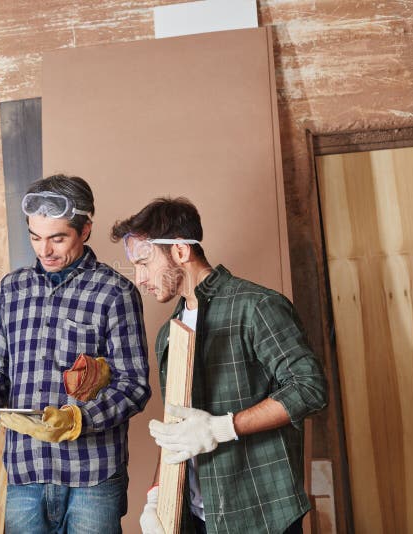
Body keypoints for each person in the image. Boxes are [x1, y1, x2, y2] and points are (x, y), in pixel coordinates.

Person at [111, 198, 327, 534]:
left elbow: (309, 388)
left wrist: (221, 428)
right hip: (198, 517)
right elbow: (179, 427)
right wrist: (156, 496)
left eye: (144, 263)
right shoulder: (170, 333)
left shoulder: (256, 306)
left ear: (180, 252)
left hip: (261, 513)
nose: (139, 278)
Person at [0, 174, 151, 533]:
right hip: (25, 469)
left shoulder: (115, 292)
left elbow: (135, 385)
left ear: (85, 230)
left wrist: (80, 419)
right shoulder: (13, 289)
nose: (44, 250)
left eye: (57, 238)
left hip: (93, 474)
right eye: (35, 237)